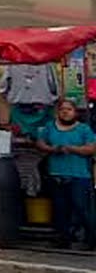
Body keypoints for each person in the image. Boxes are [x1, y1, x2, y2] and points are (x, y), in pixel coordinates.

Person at [33, 95, 96, 252]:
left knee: (82, 208)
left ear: (75, 112)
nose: (65, 113)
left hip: (79, 175)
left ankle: (92, 240)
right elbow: (40, 143)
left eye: (69, 109)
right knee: (60, 209)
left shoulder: (83, 129)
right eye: (62, 110)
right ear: (57, 112)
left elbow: (91, 148)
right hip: (56, 174)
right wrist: (53, 149)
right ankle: (63, 239)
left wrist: (71, 149)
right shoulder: (49, 127)